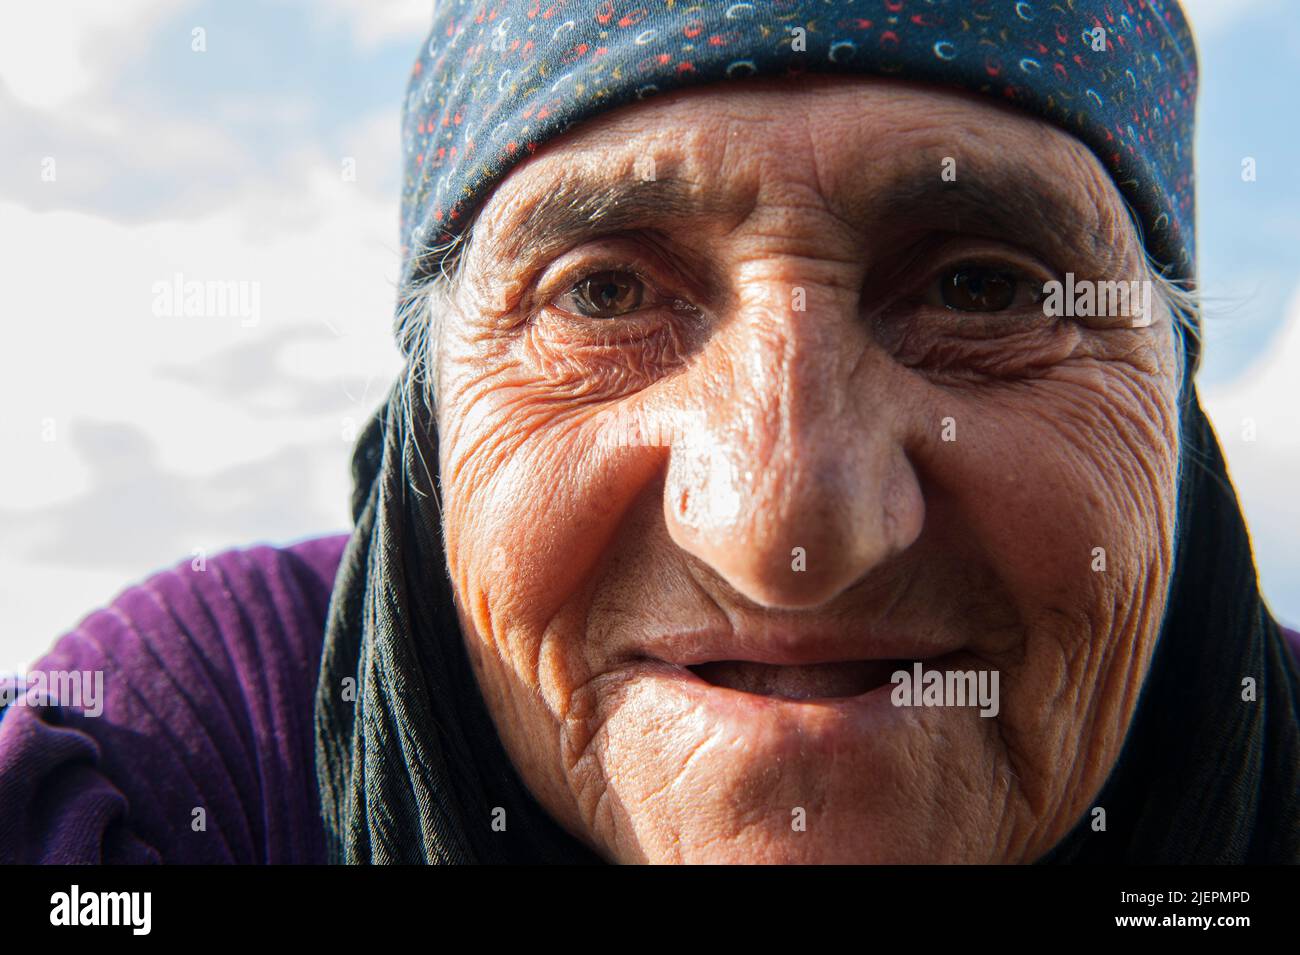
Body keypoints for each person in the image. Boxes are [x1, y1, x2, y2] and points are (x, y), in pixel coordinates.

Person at [2, 0, 1297, 864]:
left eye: (983, 289)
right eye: (606, 294)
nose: (788, 529)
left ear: (1173, 411)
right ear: (431, 415)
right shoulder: (202, 759)